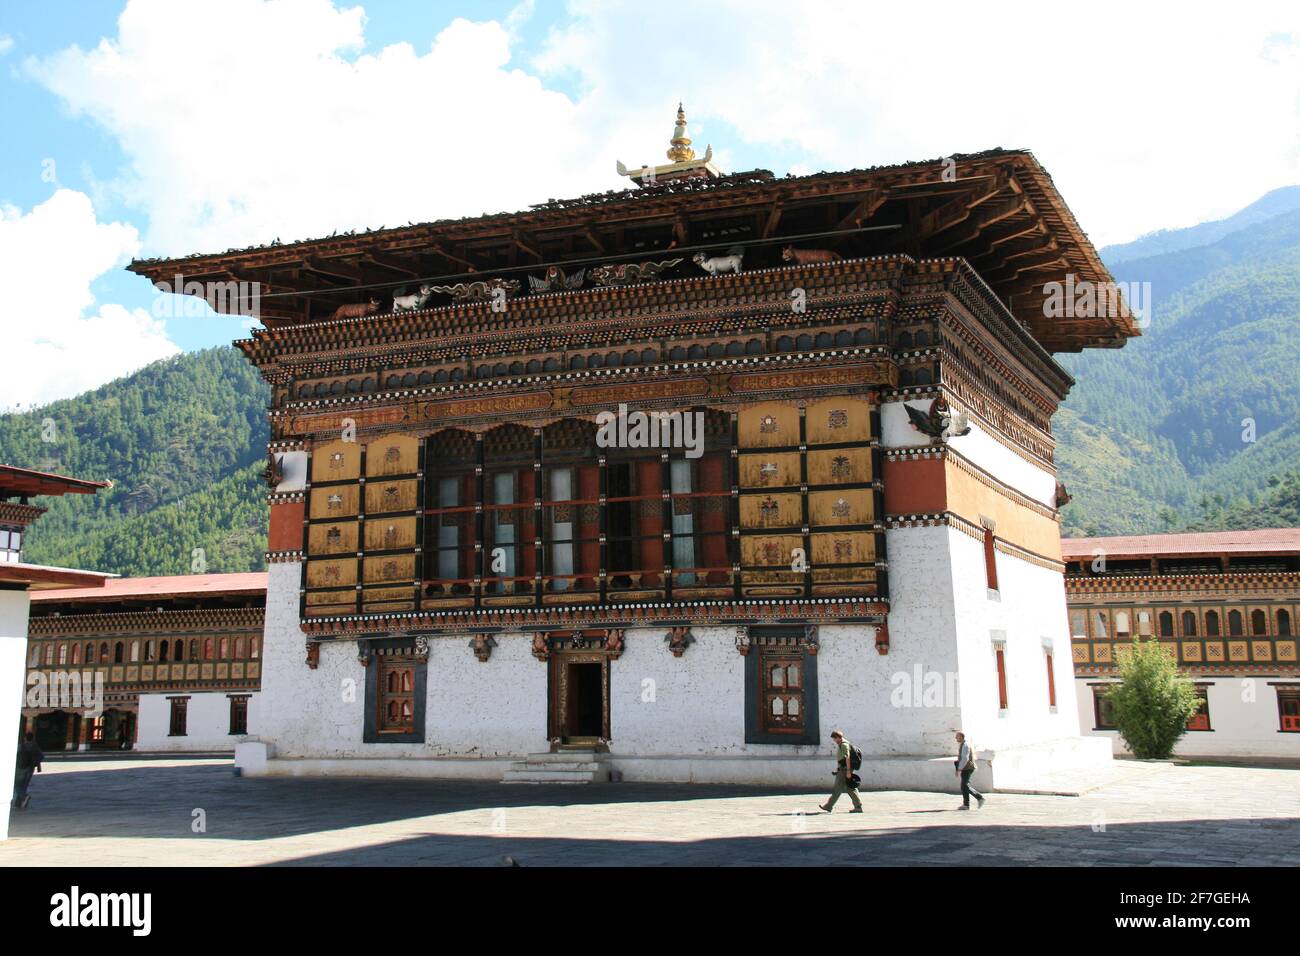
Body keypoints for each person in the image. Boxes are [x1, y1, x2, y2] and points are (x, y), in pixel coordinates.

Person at [819, 729, 863, 813]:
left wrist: (848, 772)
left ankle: (829, 806)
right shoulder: (843, 744)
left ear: (838, 737)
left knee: (837, 789)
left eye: (834, 739)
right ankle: (858, 806)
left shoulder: (844, 745)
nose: (834, 741)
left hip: (845, 770)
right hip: (843, 769)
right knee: (851, 788)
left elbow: (847, 758)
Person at [954, 731, 984, 810]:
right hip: (966, 768)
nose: (956, 738)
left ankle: (979, 798)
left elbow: (965, 758)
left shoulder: (965, 745)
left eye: (957, 736)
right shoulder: (963, 744)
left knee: (965, 785)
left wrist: (959, 768)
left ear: (961, 737)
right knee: (964, 786)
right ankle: (966, 805)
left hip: (968, 768)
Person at [13, 732, 43, 810]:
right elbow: (41, 756)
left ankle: (24, 796)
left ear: (25, 738)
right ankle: (18, 803)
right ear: (32, 738)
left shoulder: (21, 746)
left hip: (20, 768)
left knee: (16, 785)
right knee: (24, 786)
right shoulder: (35, 746)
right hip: (30, 769)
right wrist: (34, 762)